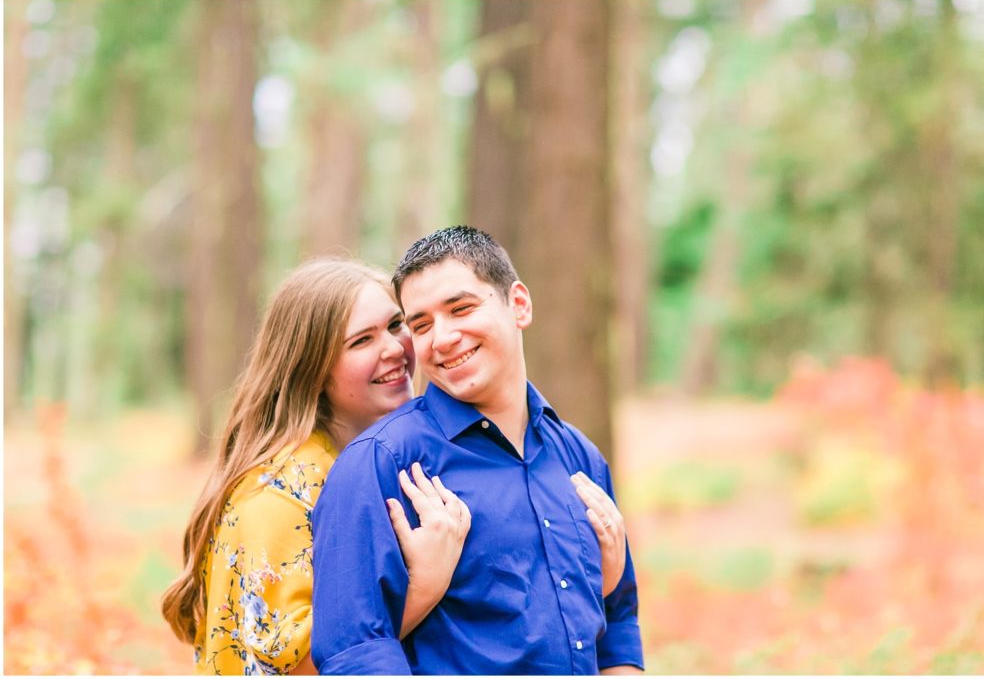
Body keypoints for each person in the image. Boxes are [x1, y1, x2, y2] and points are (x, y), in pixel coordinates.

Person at [311, 226, 644, 675]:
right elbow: (353, 651)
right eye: (421, 325)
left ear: (518, 305)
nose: (443, 338)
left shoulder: (579, 458)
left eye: (461, 308)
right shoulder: (381, 463)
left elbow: (618, 621)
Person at [160, 258, 472, 675]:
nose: (395, 349)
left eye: (396, 325)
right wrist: (423, 588)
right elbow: (303, 667)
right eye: (362, 341)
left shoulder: (375, 463)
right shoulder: (276, 496)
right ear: (313, 369)